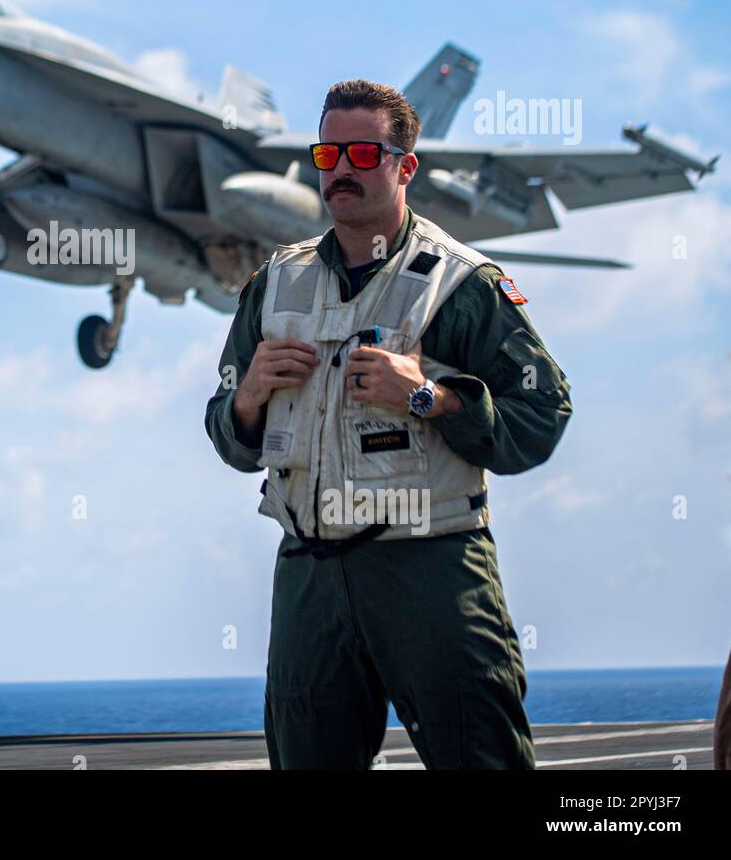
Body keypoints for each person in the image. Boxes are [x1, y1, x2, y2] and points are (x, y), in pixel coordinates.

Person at [205, 79, 573, 769]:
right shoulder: (274, 286)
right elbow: (229, 435)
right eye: (328, 152)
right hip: (308, 577)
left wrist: (430, 396)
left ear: (404, 167)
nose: (341, 167)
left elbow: (543, 414)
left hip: (428, 569)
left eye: (363, 153)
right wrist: (249, 396)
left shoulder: (460, 285)